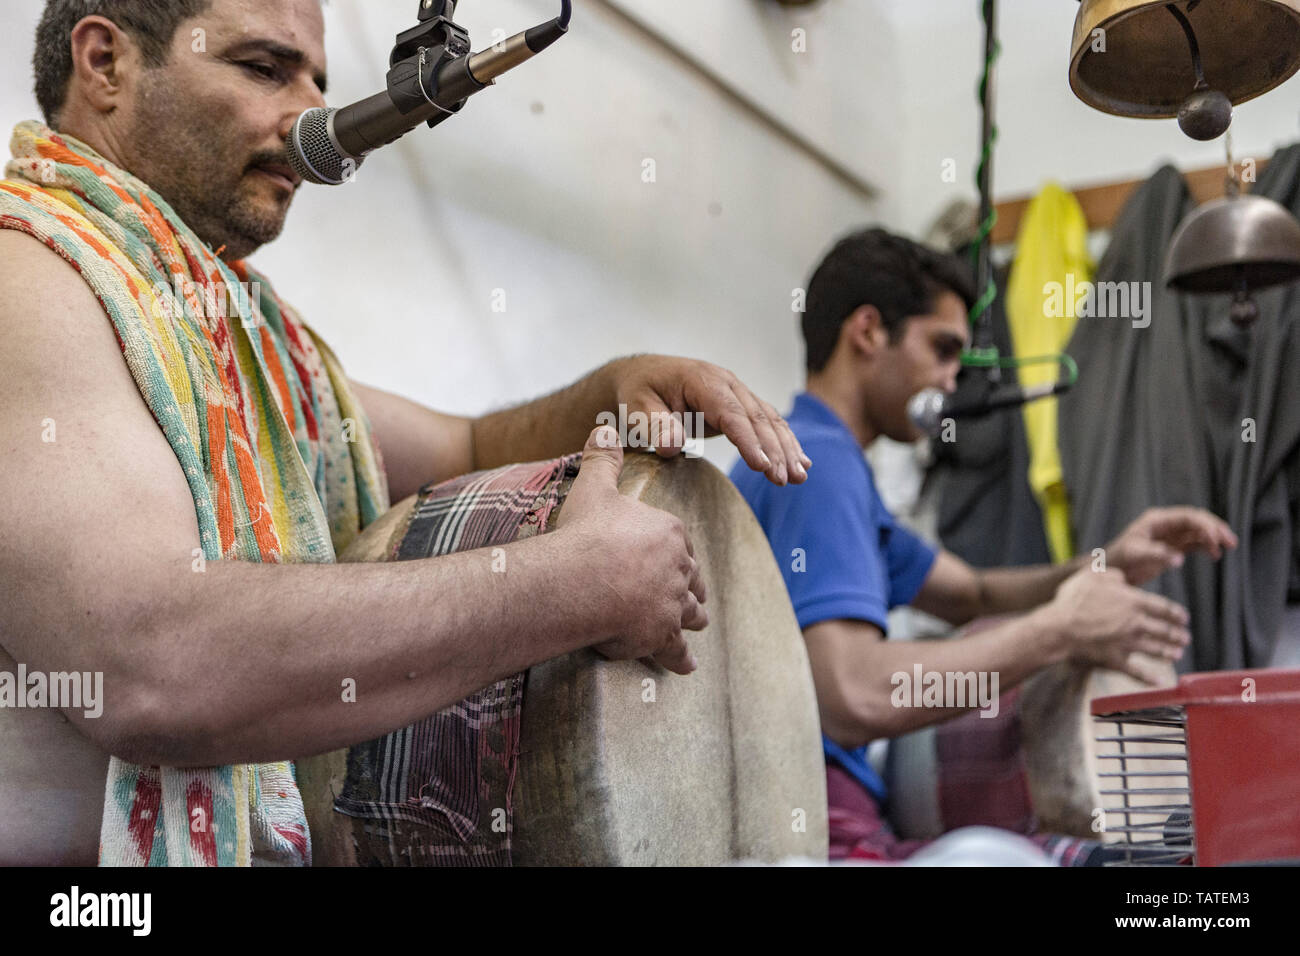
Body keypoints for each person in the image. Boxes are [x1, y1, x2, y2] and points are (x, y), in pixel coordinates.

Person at [0, 0, 810, 866]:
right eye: (265, 69)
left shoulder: (246, 340)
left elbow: (463, 449)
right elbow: (151, 668)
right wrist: (565, 587)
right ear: (104, 64)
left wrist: (613, 391)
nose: (314, 118)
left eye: (318, 79)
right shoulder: (30, 275)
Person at [729, 227, 1238, 861]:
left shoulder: (820, 461)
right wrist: (1063, 630)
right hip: (821, 836)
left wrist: (1107, 559)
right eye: (942, 350)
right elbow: (853, 694)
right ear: (867, 331)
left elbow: (971, 593)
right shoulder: (816, 463)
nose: (949, 380)